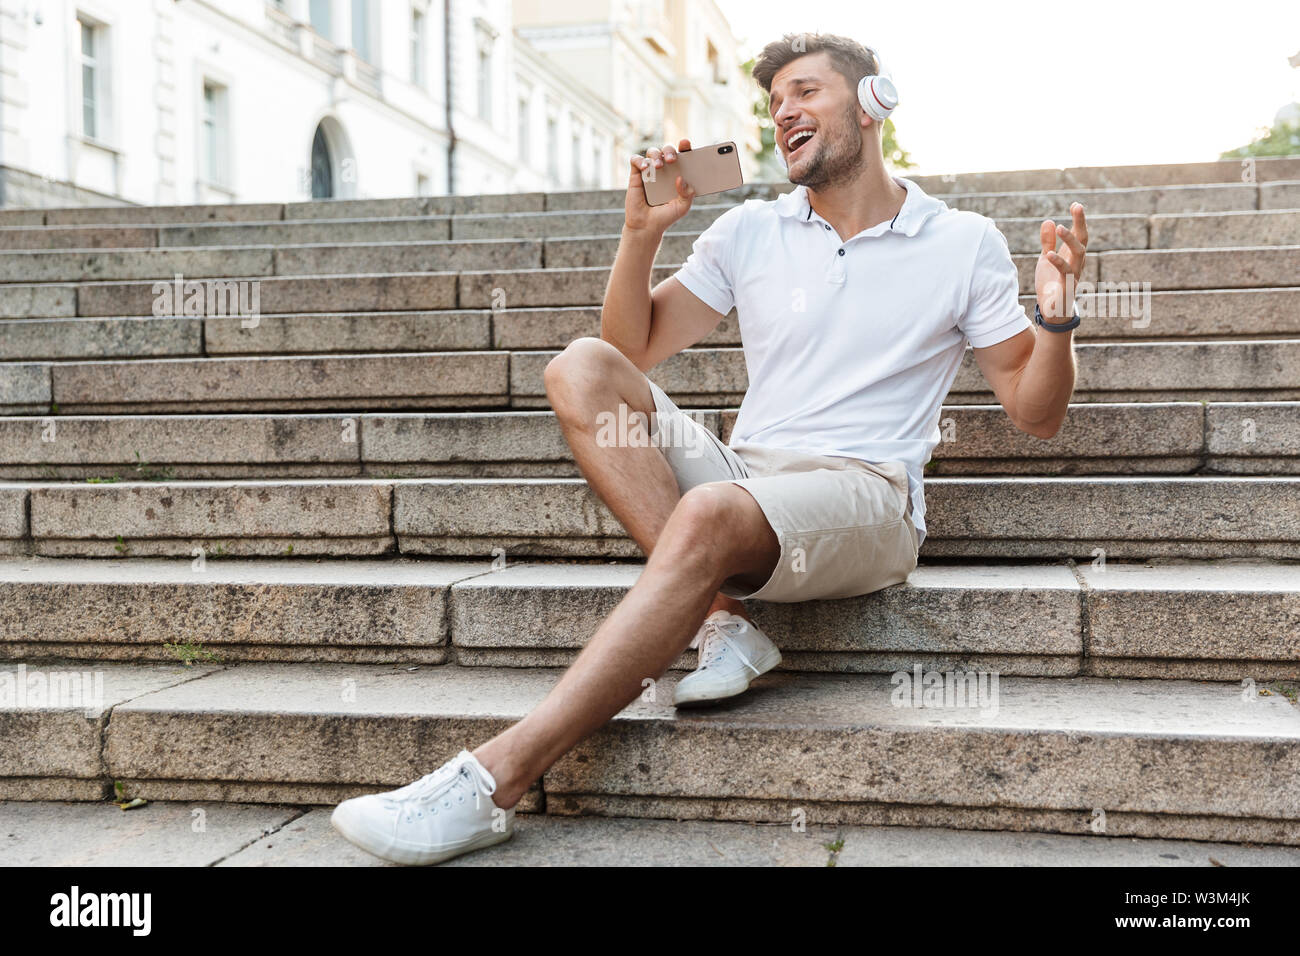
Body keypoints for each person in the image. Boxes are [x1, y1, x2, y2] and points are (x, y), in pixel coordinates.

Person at [330, 32, 1087, 866]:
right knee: (580, 368)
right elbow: (631, 352)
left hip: (867, 495)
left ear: (875, 102)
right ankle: (724, 620)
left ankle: (489, 782)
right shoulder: (751, 231)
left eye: (806, 92)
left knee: (711, 512)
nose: (784, 112)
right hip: (748, 484)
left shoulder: (960, 240)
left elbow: (1035, 410)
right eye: (774, 104)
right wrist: (640, 234)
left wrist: (1055, 320)